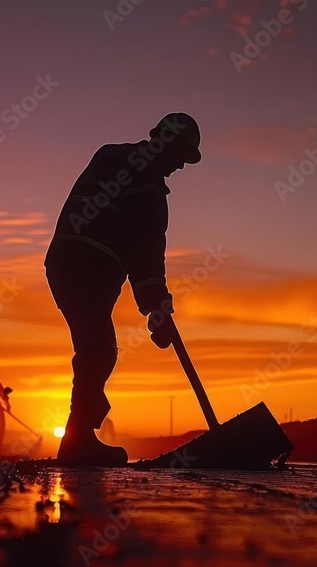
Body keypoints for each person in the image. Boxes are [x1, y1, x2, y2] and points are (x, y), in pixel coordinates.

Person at [45, 112, 201, 466]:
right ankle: (78, 441)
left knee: (96, 347)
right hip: (91, 268)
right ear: (167, 143)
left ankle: (79, 435)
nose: (180, 166)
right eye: (181, 156)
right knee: (98, 349)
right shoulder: (150, 193)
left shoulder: (109, 154)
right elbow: (146, 256)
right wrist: (157, 310)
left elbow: (135, 247)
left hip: (64, 263)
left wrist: (154, 307)